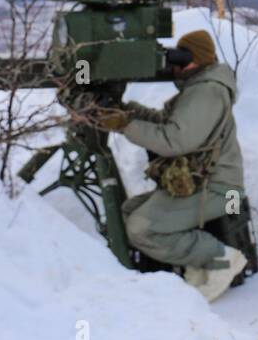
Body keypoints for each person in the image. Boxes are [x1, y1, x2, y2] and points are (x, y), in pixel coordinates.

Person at [102, 29, 249, 303]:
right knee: (131, 209)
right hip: (204, 183)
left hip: (218, 188)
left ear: (201, 60)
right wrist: (130, 112)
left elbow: (175, 140)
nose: (177, 68)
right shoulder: (200, 87)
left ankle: (223, 259)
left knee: (141, 227)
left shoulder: (208, 92)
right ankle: (196, 265)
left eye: (184, 60)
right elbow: (170, 123)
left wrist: (125, 125)